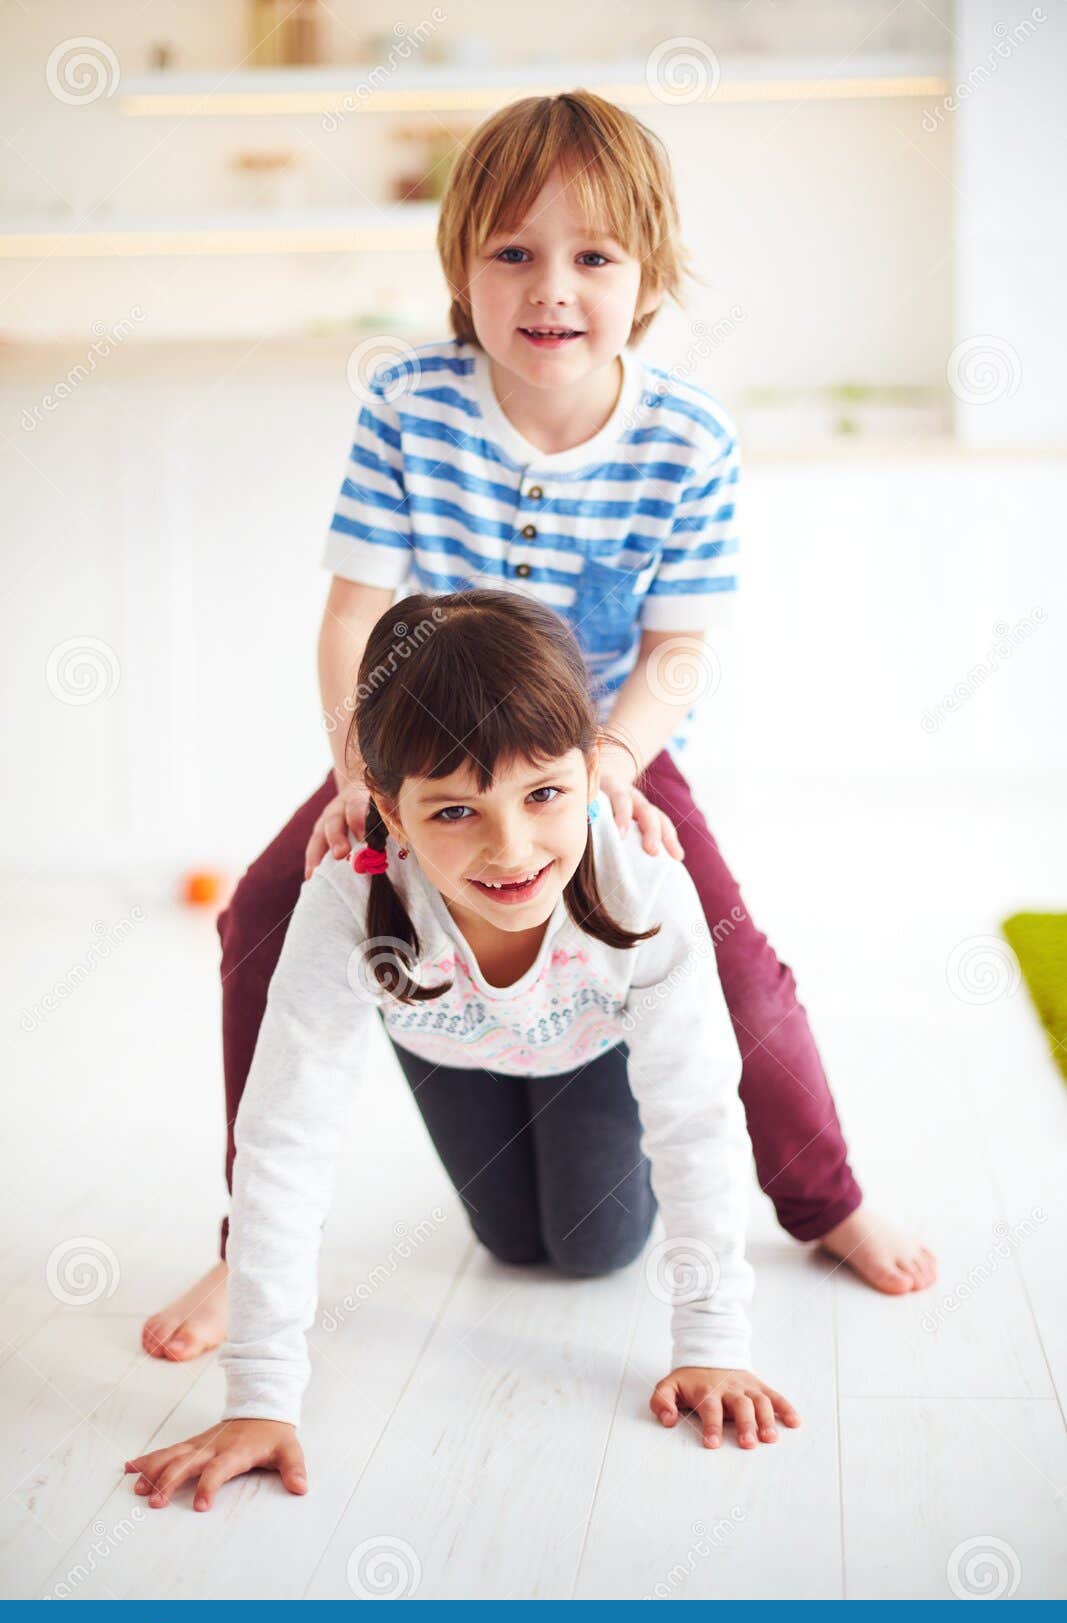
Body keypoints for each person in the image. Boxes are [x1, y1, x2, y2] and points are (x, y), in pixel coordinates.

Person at [141, 88, 933, 1370]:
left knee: (728, 953)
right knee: (259, 917)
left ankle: (824, 1196)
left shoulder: (686, 438)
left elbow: (676, 649)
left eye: (591, 256)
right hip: (425, 748)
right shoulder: (410, 402)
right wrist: (360, 773)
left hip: (605, 747)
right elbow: (351, 620)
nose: (548, 286)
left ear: (649, 277)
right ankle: (247, 1246)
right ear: (459, 267)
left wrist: (613, 766)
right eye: (510, 251)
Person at [126, 590, 802, 1511]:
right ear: (388, 815)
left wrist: (713, 1344)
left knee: (587, 1248)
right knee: (510, 1242)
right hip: (453, 1045)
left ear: (593, 769)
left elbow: (696, 1120)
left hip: (591, 1051)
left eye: (545, 794)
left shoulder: (643, 886)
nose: (512, 847)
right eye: (453, 813)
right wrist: (260, 1399)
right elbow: (284, 1143)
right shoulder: (343, 902)